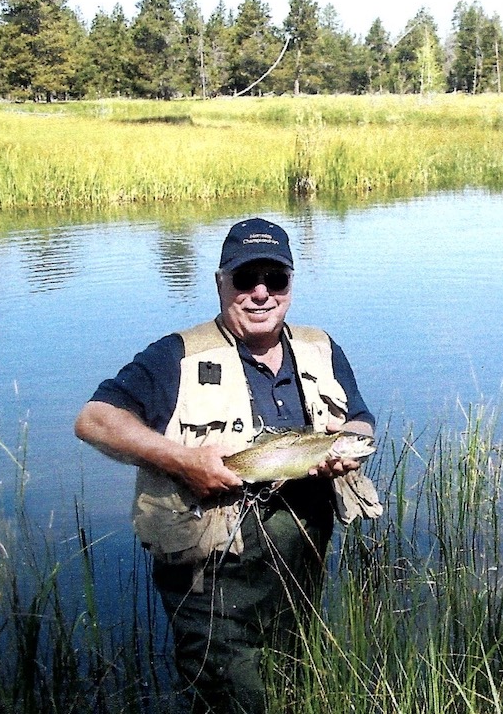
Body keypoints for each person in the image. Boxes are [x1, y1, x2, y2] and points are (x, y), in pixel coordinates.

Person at [74, 217, 377, 714]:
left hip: (300, 562)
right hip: (210, 574)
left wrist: (345, 452)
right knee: (233, 697)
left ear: (290, 285)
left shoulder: (321, 347)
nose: (260, 293)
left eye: (274, 279)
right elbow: (94, 420)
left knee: (290, 681)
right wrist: (182, 459)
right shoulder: (176, 355)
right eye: (245, 279)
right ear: (220, 283)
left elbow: (361, 422)